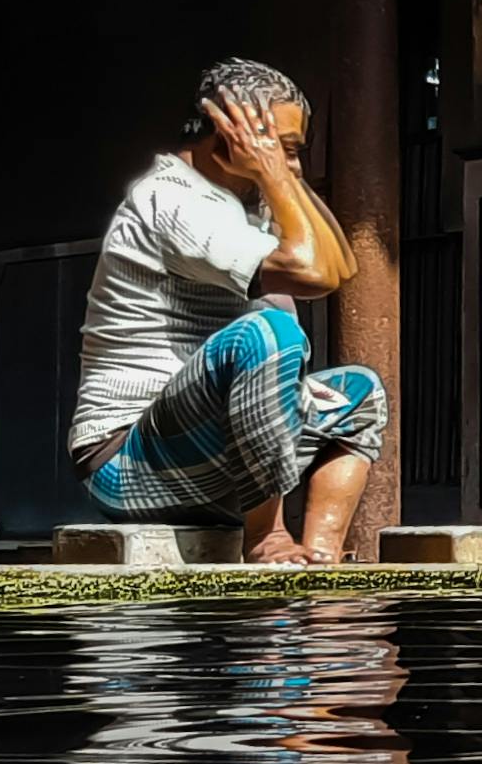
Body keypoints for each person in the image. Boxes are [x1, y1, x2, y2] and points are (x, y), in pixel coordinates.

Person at [69, 57, 386, 563]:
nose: (290, 163)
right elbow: (312, 272)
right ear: (226, 133)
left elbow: (341, 267)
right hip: (125, 460)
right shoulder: (170, 201)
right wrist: (275, 175)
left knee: (361, 392)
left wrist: (284, 177)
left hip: (212, 460)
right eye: (283, 148)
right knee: (265, 332)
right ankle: (268, 537)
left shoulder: (246, 204)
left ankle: (320, 555)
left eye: (294, 152)